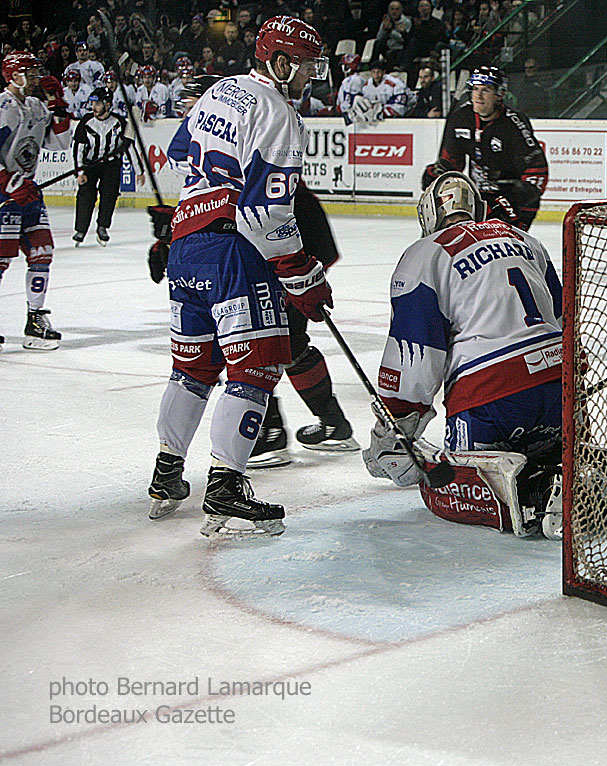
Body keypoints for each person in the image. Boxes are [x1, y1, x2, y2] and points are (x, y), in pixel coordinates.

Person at [145, 16, 334, 537]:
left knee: (192, 369)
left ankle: (167, 473)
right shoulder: (279, 112)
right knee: (256, 368)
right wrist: (301, 273)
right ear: (281, 63)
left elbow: (180, 154)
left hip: (187, 245)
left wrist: (186, 217)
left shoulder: (220, 90)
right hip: (235, 253)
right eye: (307, 65)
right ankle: (226, 486)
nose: (312, 76)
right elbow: (265, 212)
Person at [363, 171, 563, 539]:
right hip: (558, 391)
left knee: (442, 488)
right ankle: (558, 471)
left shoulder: (425, 253)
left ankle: (534, 491)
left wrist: (393, 435)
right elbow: (565, 320)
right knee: (543, 449)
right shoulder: (527, 240)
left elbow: (415, 360)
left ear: (428, 215)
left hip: (491, 398)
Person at [0, 52, 72, 352]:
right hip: (4, 194)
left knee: (42, 251)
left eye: (35, 73)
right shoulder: (3, 107)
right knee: (0, 260)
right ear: (12, 75)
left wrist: (58, 105)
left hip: (28, 193)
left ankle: (35, 319)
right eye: (28, 73)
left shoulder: (36, 106)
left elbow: (60, 143)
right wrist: (8, 183)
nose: (34, 78)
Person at [422, 66, 549, 230]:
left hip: (511, 199)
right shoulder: (460, 118)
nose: (478, 95)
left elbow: (537, 168)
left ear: (499, 94)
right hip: (480, 196)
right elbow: (451, 161)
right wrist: (438, 175)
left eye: (485, 90)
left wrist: (515, 199)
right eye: (475, 89)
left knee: (498, 241)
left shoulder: (514, 123)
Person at [72, 87, 141, 248]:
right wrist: (80, 171)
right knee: (86, 195)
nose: (94, 107)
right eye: (92, 103)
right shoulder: (86, 122)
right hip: (90, 165)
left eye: (97, 103)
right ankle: (81, 230)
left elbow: (129, 147)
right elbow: (78, 149)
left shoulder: (119, 122)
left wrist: (139, 171)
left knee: (109, 195)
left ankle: (102, 227)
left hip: (111, 165)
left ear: (108, 104)